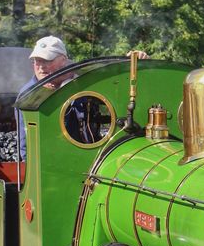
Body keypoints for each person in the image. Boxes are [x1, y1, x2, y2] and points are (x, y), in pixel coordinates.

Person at [15, 36, 148, 160]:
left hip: (92, 158)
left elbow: (117, 89)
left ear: (63, 60)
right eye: (36, 61)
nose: (41, 67)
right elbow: (25, 147)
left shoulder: (84, 82)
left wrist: (135, 66)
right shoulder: (27, 95)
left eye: (47, 61)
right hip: (53, 163)